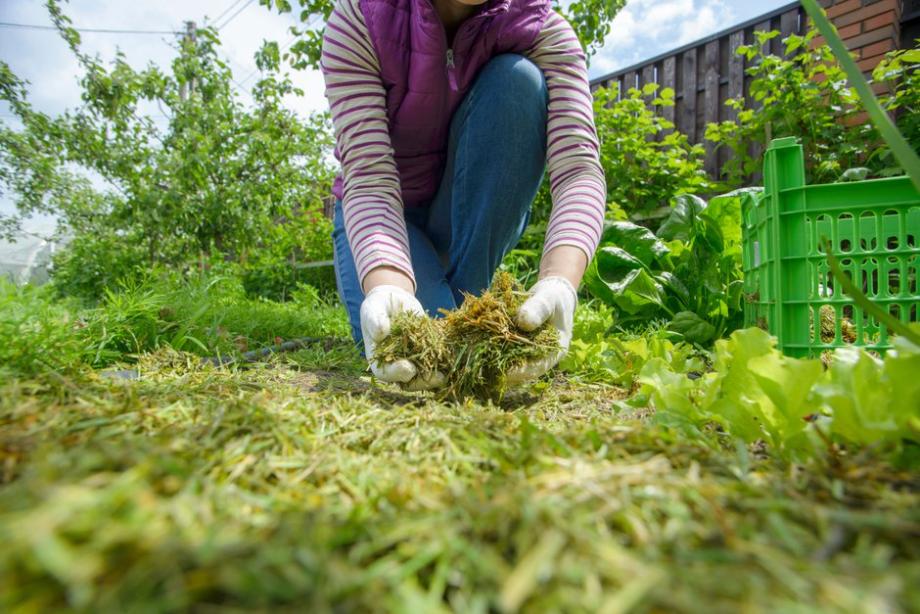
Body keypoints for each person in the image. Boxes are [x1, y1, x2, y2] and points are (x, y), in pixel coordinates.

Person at [321, 0, 606, 389]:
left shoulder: (542, 31)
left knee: (518, 81)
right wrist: (387, 286)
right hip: (378, 221)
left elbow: (577, 170)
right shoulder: (362, 18)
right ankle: (441, 310)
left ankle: (464, 299)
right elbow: (370, 178)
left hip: (459, 217)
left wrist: (560, 281)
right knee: (417, 349)